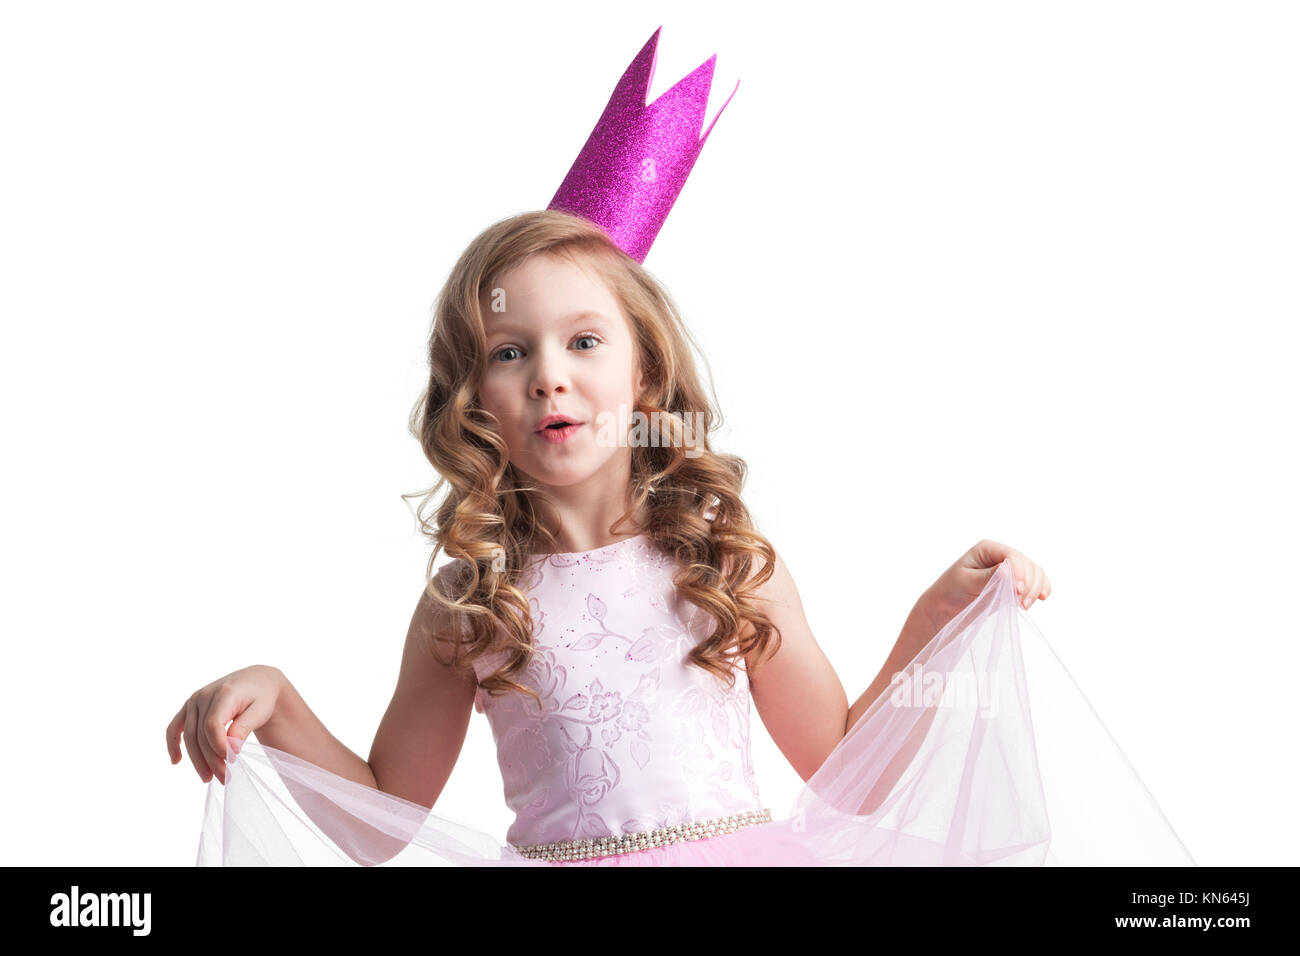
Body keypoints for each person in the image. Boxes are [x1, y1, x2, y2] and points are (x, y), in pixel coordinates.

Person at [165, 28, 1193, 867]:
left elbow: (840, 767)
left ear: (643, 374)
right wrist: (282, 701)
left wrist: (938, 613)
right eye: (508, 350)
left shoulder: (722, 561)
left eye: (582, 340)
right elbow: (382, 818)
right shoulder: (469, 600)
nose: (549, 375)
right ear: (474, 396)